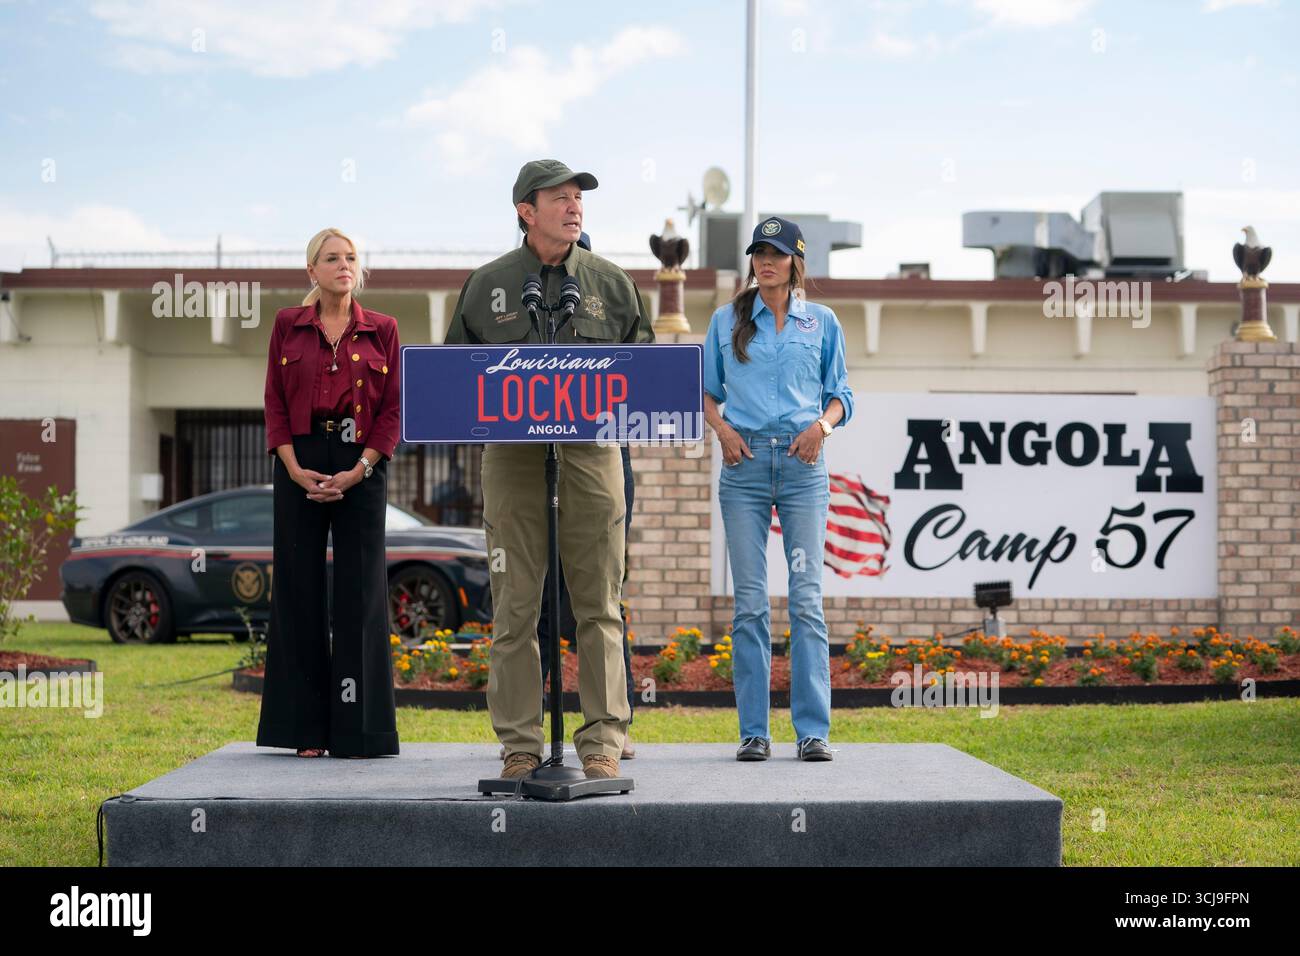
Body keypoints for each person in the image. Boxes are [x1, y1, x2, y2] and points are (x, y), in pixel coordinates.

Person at [444, 159, 654, 781]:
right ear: (525, 211)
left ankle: (602, 743)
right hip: (512, 458)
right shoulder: (487, 285)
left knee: (600, 602)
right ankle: (520, 745)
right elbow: (455, 377)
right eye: (558, 197)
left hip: (593, 457)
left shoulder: (613, 284)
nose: (574, 206)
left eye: (578, 197)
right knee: (515, 604)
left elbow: (642, 378)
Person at [702, 216, 854, 763]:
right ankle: (754, 733)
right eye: (758, 253)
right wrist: (722, 432)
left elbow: (842, 396)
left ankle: (813, 732)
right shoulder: (726, 320)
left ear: (795, 260)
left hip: (801, 466)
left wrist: (822, 428)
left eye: (776, 252)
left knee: (807, 601)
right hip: (743, 470)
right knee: (749, 605)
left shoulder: (823, 321)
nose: (765, 261)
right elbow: (704, 392)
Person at [256, 227, 402, 759]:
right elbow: (273, 400)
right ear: (312, 271)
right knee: (298, 587)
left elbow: (393, 409)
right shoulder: (286, 326)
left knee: (361, 592)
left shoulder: (383, 329)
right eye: (332, 258)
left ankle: (360, 731)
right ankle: (304, 731)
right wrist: (292, 467)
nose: (344, 265)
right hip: (301, 459)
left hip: (361, 463)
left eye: (351, 258)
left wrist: (362, 467)